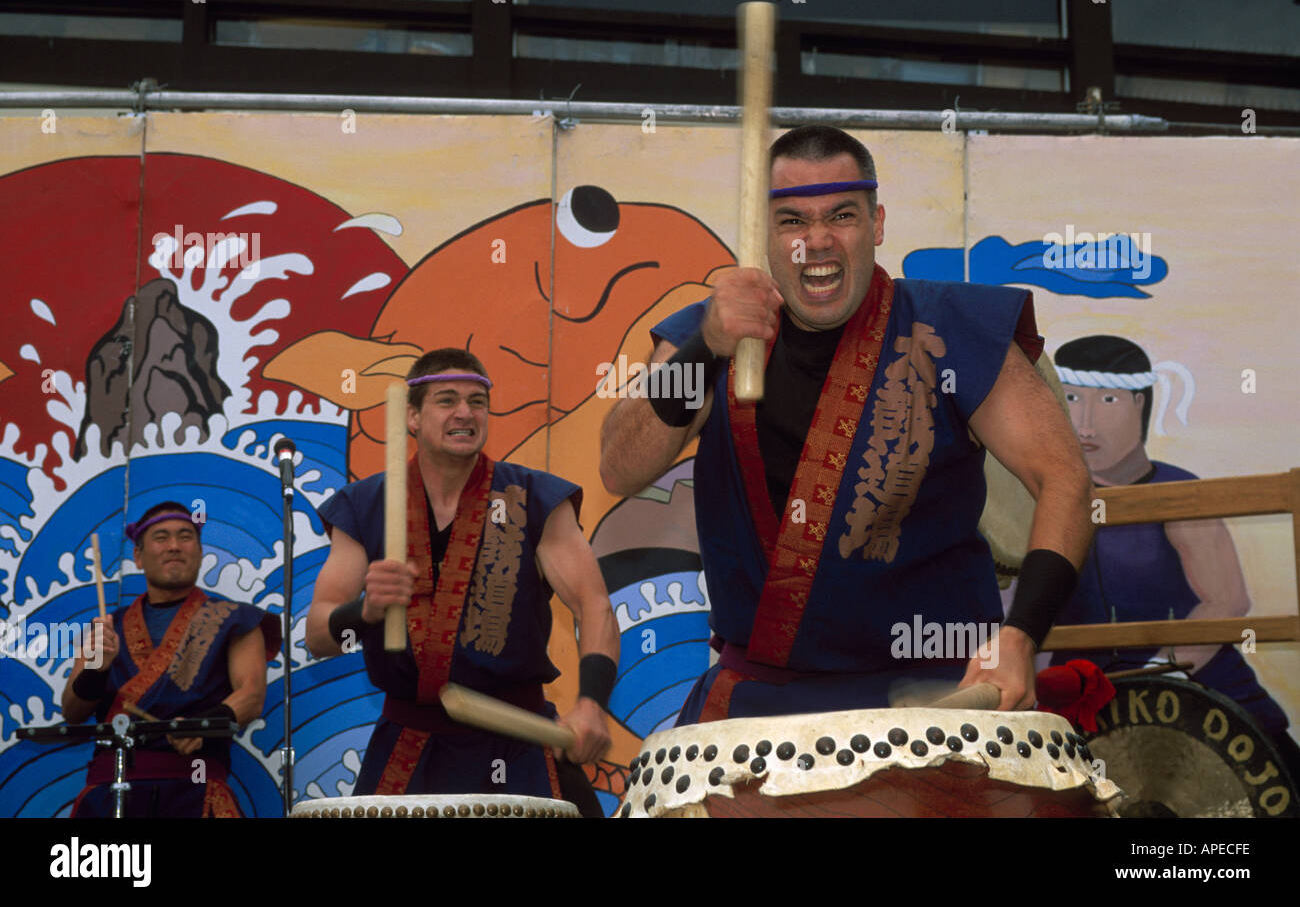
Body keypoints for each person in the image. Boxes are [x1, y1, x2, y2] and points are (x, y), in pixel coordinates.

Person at [600, 125, 1093, 723]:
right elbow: (619, 468)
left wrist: (1020, 637)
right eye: (792, 222)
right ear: (763, 235)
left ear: (878, 223)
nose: (818, 241)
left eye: (841, 216)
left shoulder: (949, 326)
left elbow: (1063, 477)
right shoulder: (710, 334)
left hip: (941, 691)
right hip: (760, 703)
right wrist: (705, 347)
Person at [307, 348, 618, 816]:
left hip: (519, 737)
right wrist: (365, 612)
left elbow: (595, 606)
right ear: (411, 417)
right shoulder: (365, 504)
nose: (465, 413)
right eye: (446, 400)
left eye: (477, 402)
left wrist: (592, 702)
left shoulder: (533, 498)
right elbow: (318, 636)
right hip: (410, 746)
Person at [1051, 334, 1300, 779]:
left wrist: (1159, 675)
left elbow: (1227, 602)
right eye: (1071, 398)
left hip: (1190, 678)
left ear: (1141, 405)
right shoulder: (1042, 496)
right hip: (1076, 690)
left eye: (1107, 399)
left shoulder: (1179, 491)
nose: (1086, 422)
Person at [63, 502, 278, 817]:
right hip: (110, 792)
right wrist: (97, 669)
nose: (175, 546)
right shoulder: (107, 628)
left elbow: (252, 695)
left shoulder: (236, 618)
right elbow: (72, 711)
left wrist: (204, 725)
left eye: (185, 536)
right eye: (161, 537)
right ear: (138, 556)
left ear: (200, 552)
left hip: (196, 786)